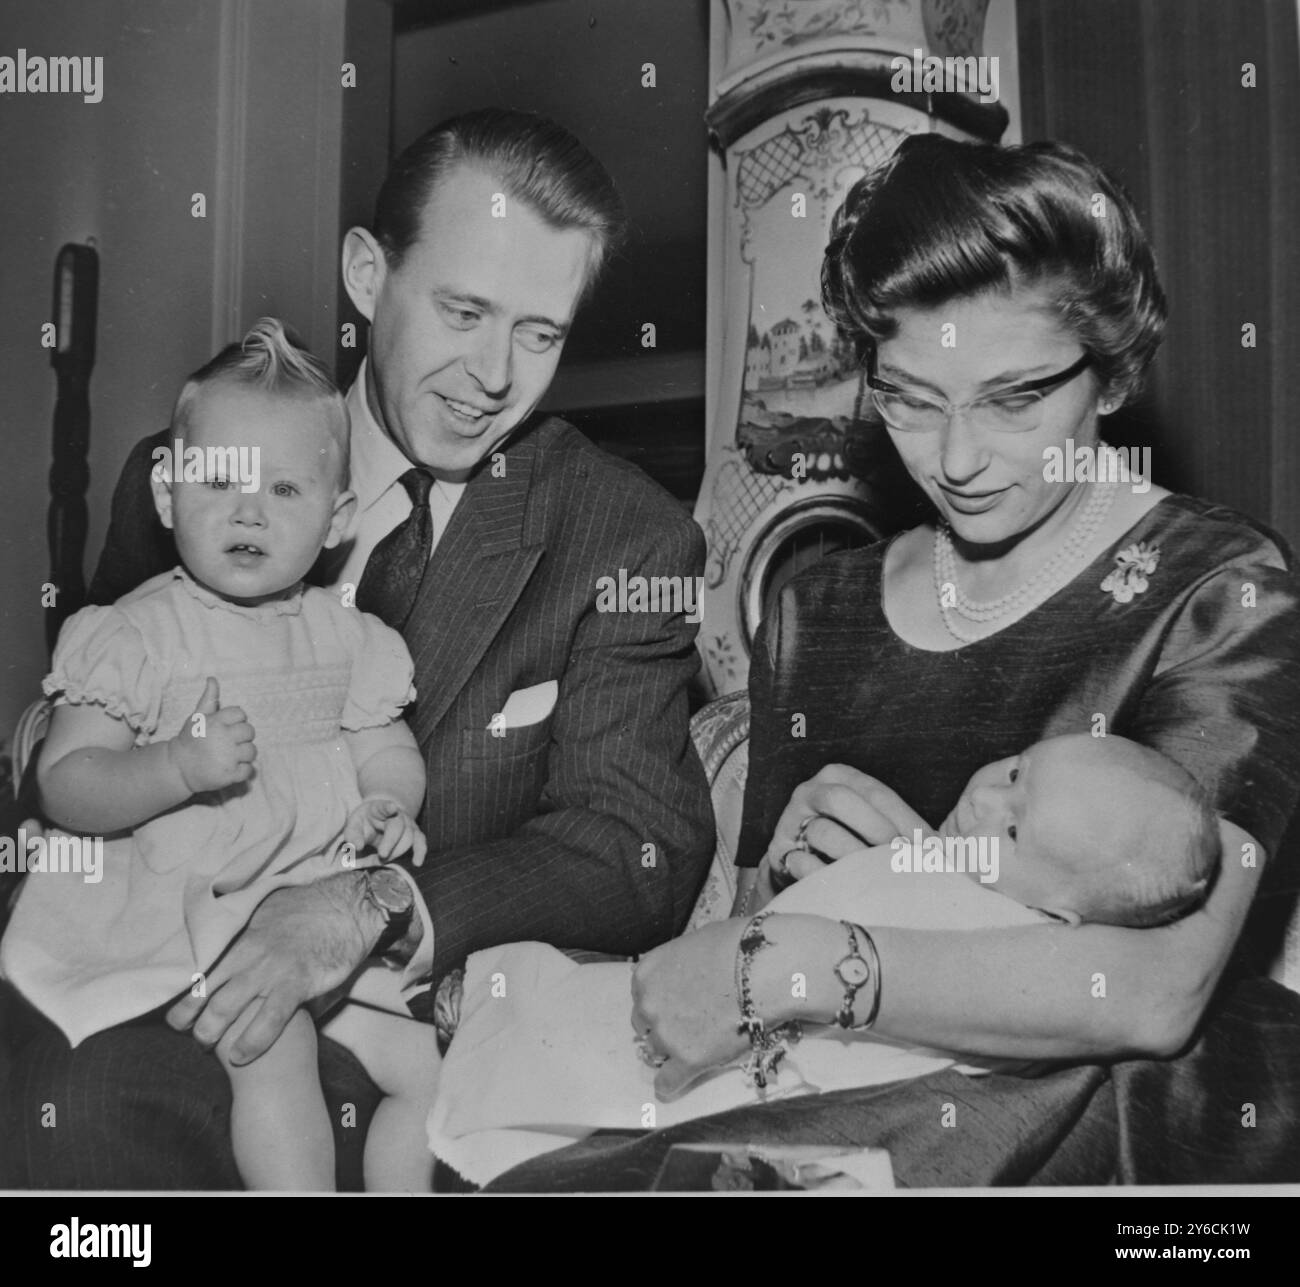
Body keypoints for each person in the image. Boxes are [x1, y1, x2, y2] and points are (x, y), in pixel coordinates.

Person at [486, 134, 1300, 1191]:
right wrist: (792, 889)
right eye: (910, 397)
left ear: (1110, 370)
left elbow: (1157, 991)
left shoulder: (1217, 586)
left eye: (1013, 398)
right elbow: (733, 950)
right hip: (853, 1088)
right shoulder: (814, 606)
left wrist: (821, 962)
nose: (956, 460)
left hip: (1119, 1125)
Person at [2, 110, 714, 1190]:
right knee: (75, 1107)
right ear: (367, 273)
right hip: (160, 958)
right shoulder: (197, 467)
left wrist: (373, 904)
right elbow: (92, 713)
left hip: (410, 1016)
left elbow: (637, 846)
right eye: (464, 310)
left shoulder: (626, 534)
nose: (490, 374)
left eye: (540, 333)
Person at [2, 319, 441, 1191]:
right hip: (182, 919)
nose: (249, 510)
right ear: (167, 496)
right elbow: (65, 783)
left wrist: (389, 800)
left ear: (335, 519)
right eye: (219, 480)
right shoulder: (135, 634)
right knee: (269, 1045)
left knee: (432, 1067)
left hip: (314, 918)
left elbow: (385, 745)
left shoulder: (350, 641)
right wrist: (172, 767)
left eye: (284, 488)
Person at [427, 733, 1221, 1187]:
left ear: (1057, 917)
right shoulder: (942, 866)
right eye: (1017, 772)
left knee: (462, 1117)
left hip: (711, 1082)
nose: (985, 801)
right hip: (682, 1009)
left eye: (1014, 831)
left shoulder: (1004, 958)